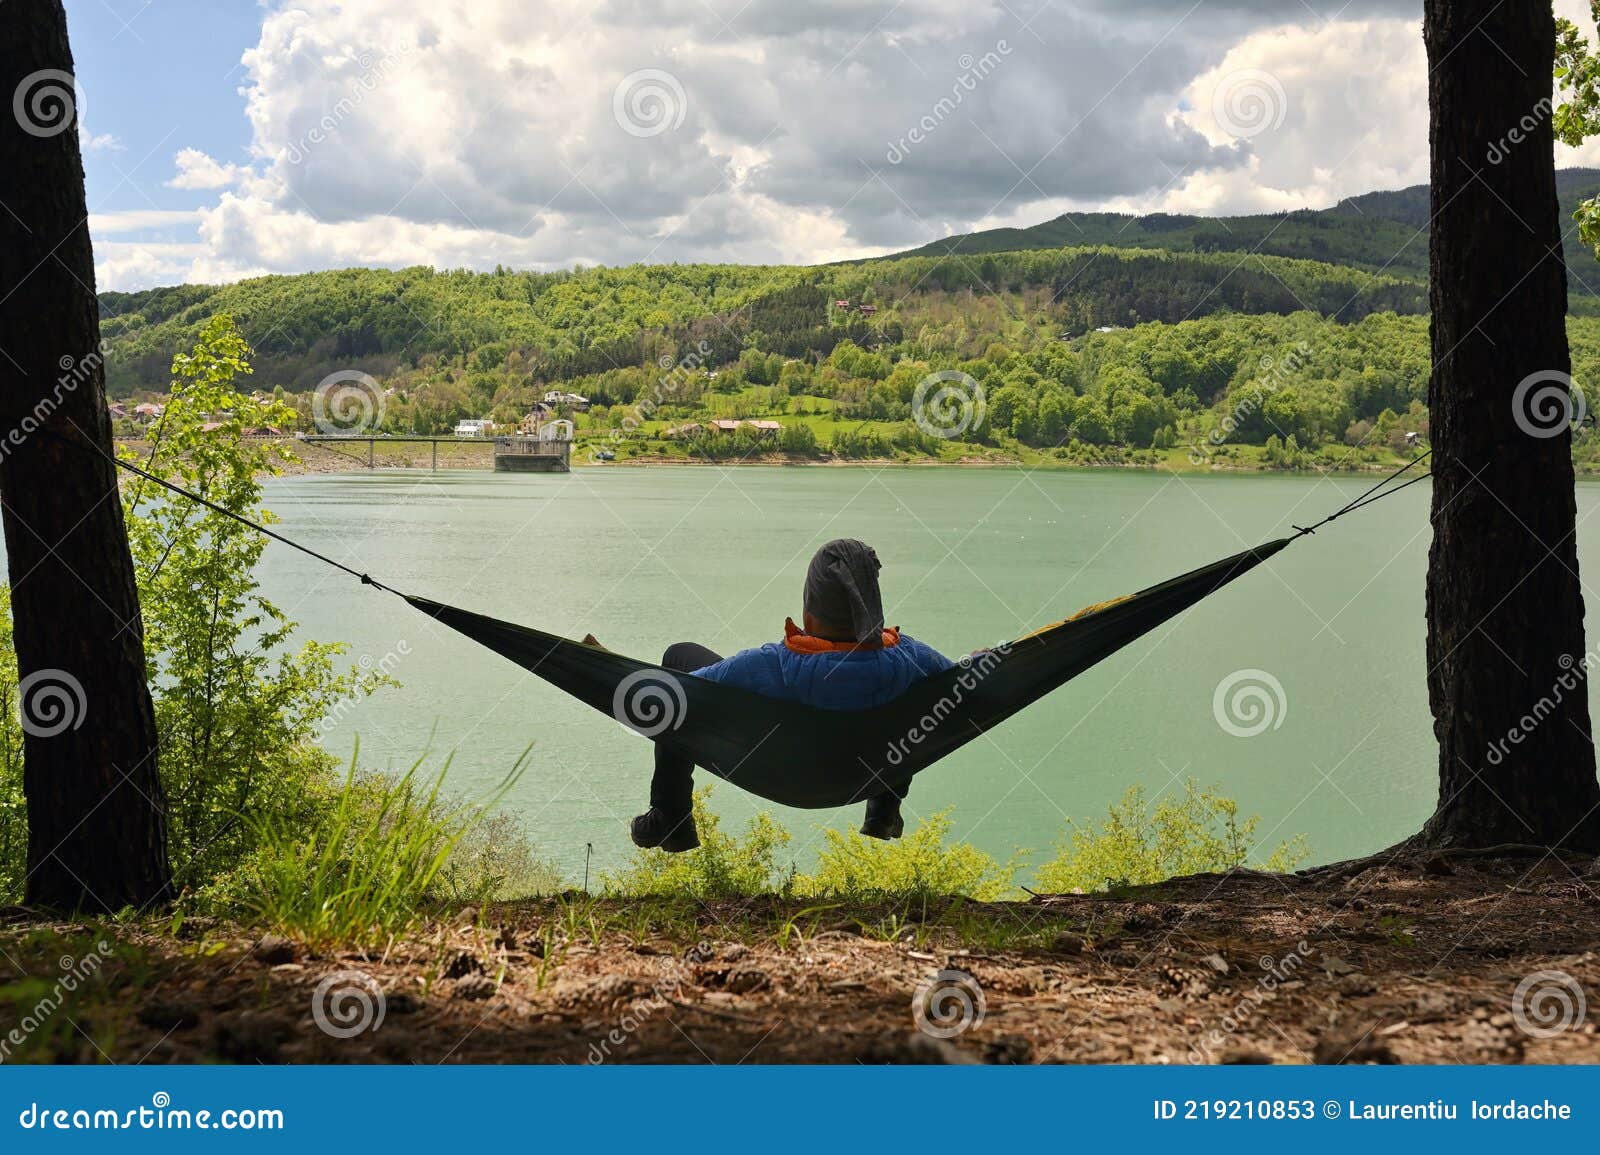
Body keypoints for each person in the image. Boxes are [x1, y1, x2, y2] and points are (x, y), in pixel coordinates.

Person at [587, 538, 955, 853]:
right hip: (868, 774)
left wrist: (606, 669)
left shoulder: (768, 666)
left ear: (809, 612)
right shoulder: (909, 657)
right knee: (921, 698)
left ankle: (670, 815)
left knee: (678, 659)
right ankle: (884, 809)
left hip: (782, 770)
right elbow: (965, 683)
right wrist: (994, 661)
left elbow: (670, 701)